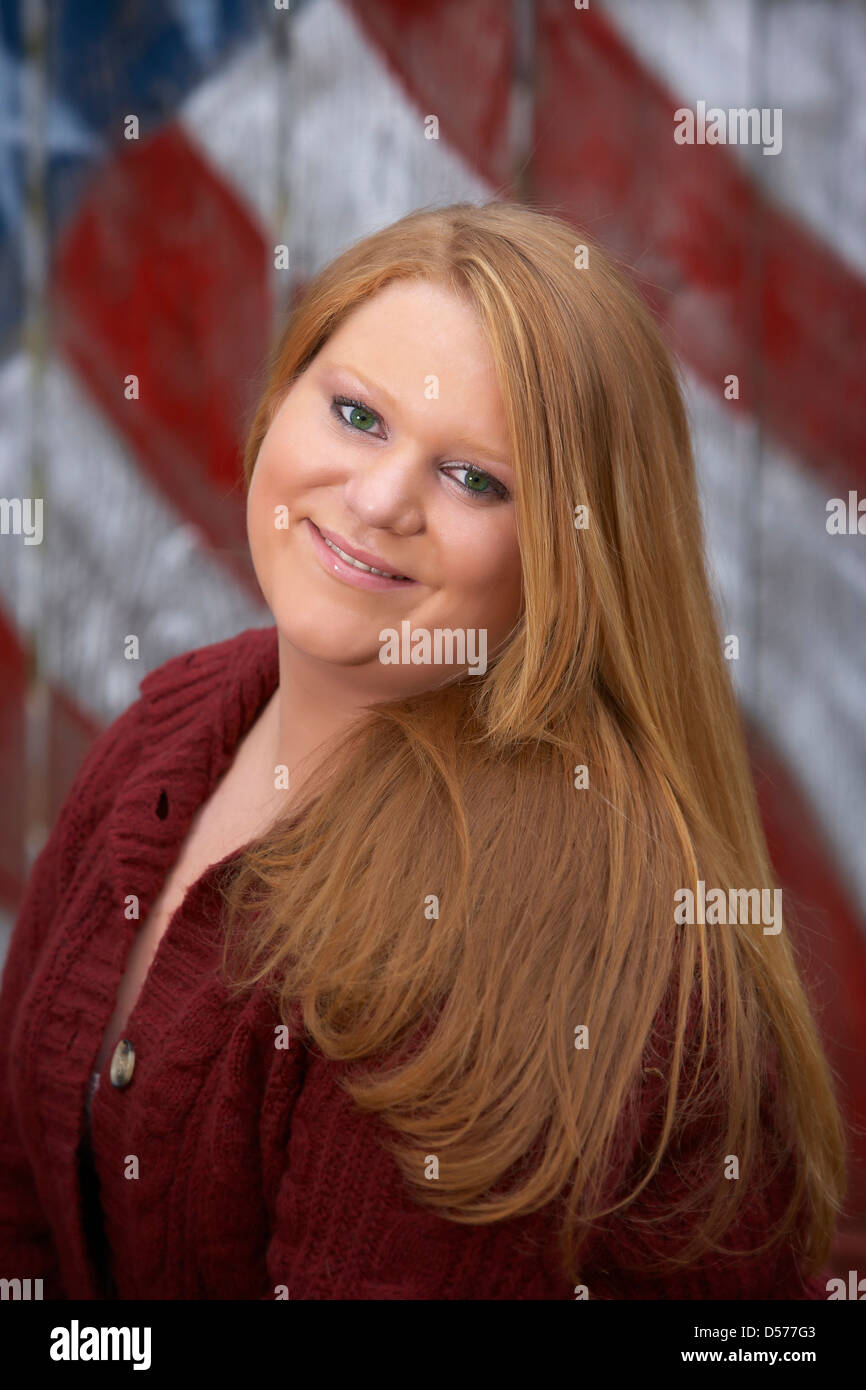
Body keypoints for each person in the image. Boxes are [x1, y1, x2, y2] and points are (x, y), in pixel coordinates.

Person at [0, 201, 846, 1300]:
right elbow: (19, 1178)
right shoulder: (183, 717)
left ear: (566, 554)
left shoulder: (522, 906)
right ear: (280, 399)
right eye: (355, 413)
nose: (379, 496)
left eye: (473, 478)